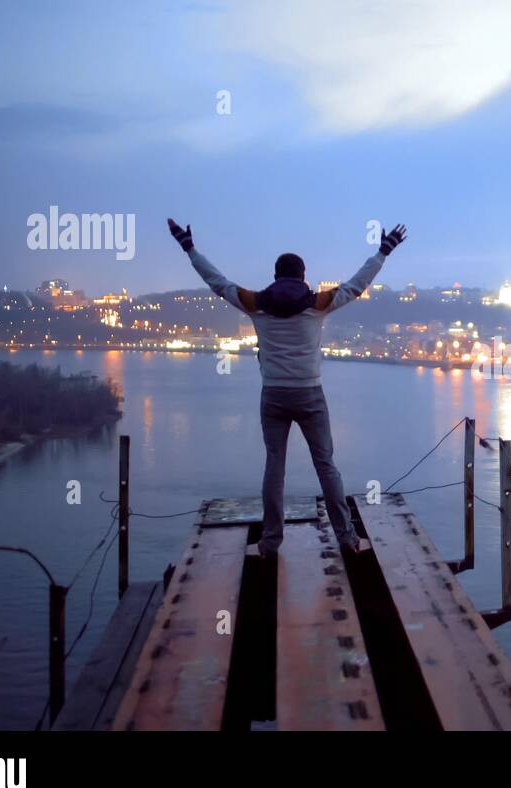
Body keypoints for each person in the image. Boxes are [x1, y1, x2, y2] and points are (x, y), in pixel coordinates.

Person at [166, 217, 407, 556]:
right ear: (303, 275)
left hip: (274, 395)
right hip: (310, 394)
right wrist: (383, 251)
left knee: (274, 466)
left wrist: (189, 248)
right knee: (326, 465)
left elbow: (217, 283)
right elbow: (356, 286)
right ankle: (348, 540)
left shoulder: (256, 304)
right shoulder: (317, 305)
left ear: (276, 275)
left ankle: (270, 542)